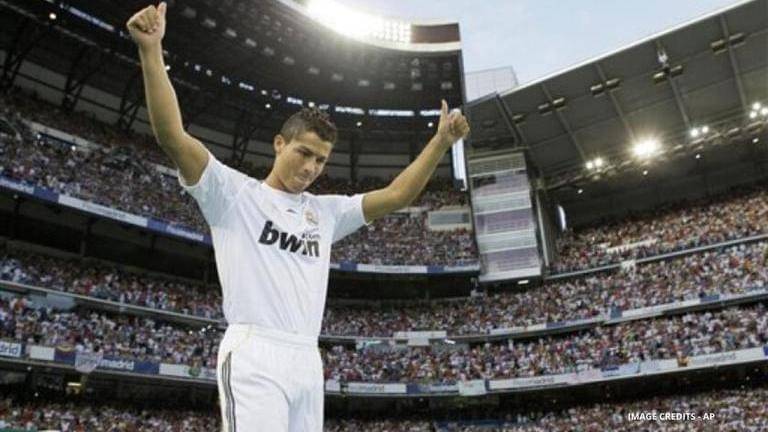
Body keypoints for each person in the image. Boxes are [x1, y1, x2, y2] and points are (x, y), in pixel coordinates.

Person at [126, 3, 470, 431]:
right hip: (254, 352)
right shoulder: (233, 194)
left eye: (320, 160)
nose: (310, 168)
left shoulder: (326, 213)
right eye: (303, 153)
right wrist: (150, 50)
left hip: (308, 358)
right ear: (278, 144)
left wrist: (440, 143)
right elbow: (172, 137)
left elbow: (397, 195)